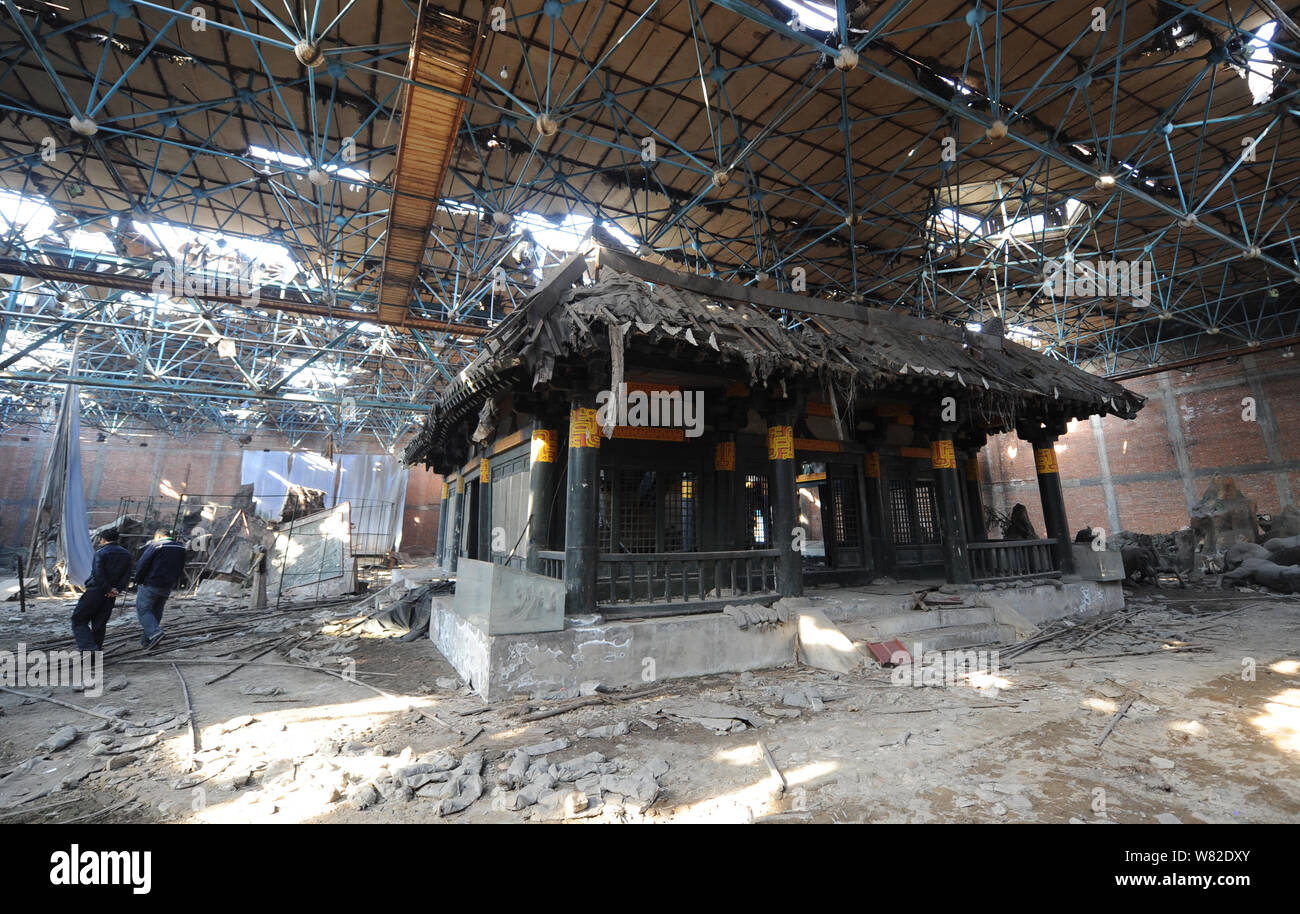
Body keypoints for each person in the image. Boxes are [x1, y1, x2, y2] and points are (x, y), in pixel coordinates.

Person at [70, 529, 132, 652]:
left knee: (78, 619)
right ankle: (95, 652)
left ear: (103, 539)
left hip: (95, 591)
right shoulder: (127, 554)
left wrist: (107, 588)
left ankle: (89, 648)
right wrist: (116, 590)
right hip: (111, 595)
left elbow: (98, 574)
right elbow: (127, 575)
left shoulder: (101, 553)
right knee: (99, 624)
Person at [133, 528, 187, 650]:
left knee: (144, 610)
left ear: (157, 536)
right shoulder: (181, 548)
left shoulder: (157, 545)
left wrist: (138, 579)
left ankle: (155, 633)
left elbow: (143, 563)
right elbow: (181, 567)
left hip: (151, 583)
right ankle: (147, 640)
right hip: (167, 585)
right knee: (156, 611)